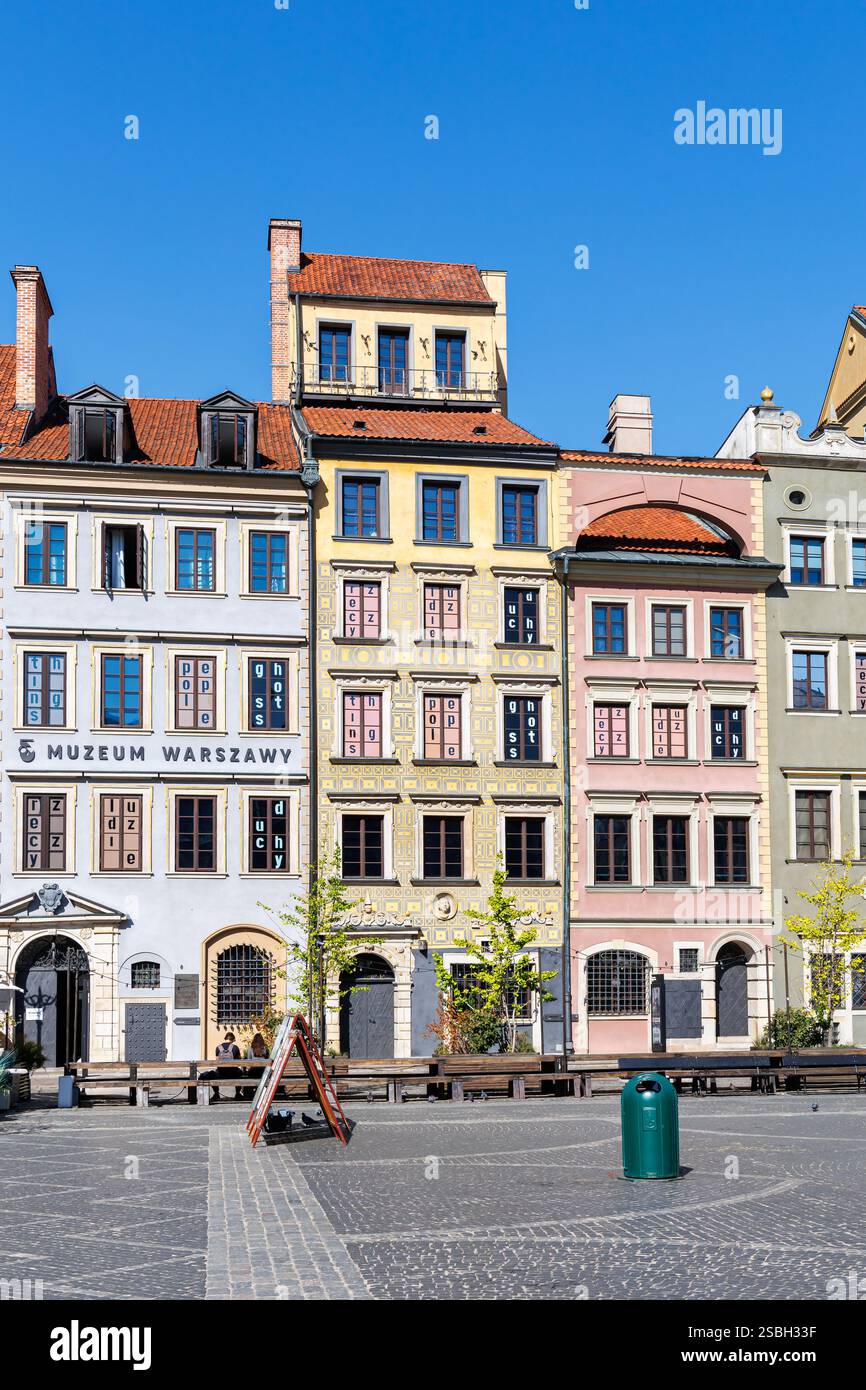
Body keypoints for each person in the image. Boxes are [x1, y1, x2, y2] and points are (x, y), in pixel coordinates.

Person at [208, 1031, 241, 1102]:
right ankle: (237, 1093)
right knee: (240, 1072)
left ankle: (216, 1093)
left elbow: (217, 1062)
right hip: (233, 1074)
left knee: (212, 1074)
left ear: (225, 1038)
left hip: (220, 1073)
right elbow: (239, 1062)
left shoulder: (218, 1048)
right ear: (233, 1039)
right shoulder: (235, 1048)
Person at [240, 1032, 270, 1100]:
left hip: (253, 1070)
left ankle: (249, 1094)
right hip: (263, 1071)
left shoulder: (251, 1048)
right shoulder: (265, 1049)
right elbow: (268, 1059)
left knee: (248, 1077)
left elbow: (248, 1060)